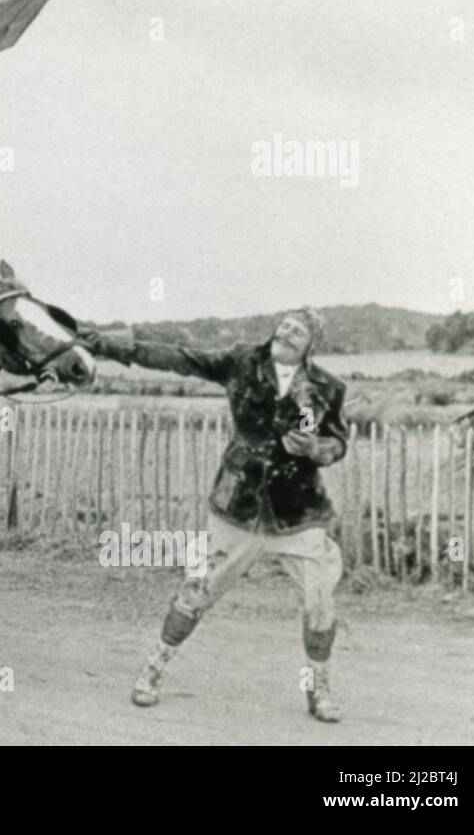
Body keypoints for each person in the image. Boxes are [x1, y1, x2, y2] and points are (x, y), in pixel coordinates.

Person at [88, 308, 350, 722]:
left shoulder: (325, 388)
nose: (286, 332)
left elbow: (336, 442)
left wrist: (316, 449)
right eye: (284, 325)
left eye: (298, 331)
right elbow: (183, 357)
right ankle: (153, 669)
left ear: (311, 344)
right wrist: (120, 347)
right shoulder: (241, 361)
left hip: (299, 512)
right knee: (199, 589)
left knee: (320, 601)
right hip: (238, 505)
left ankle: (319, 690)